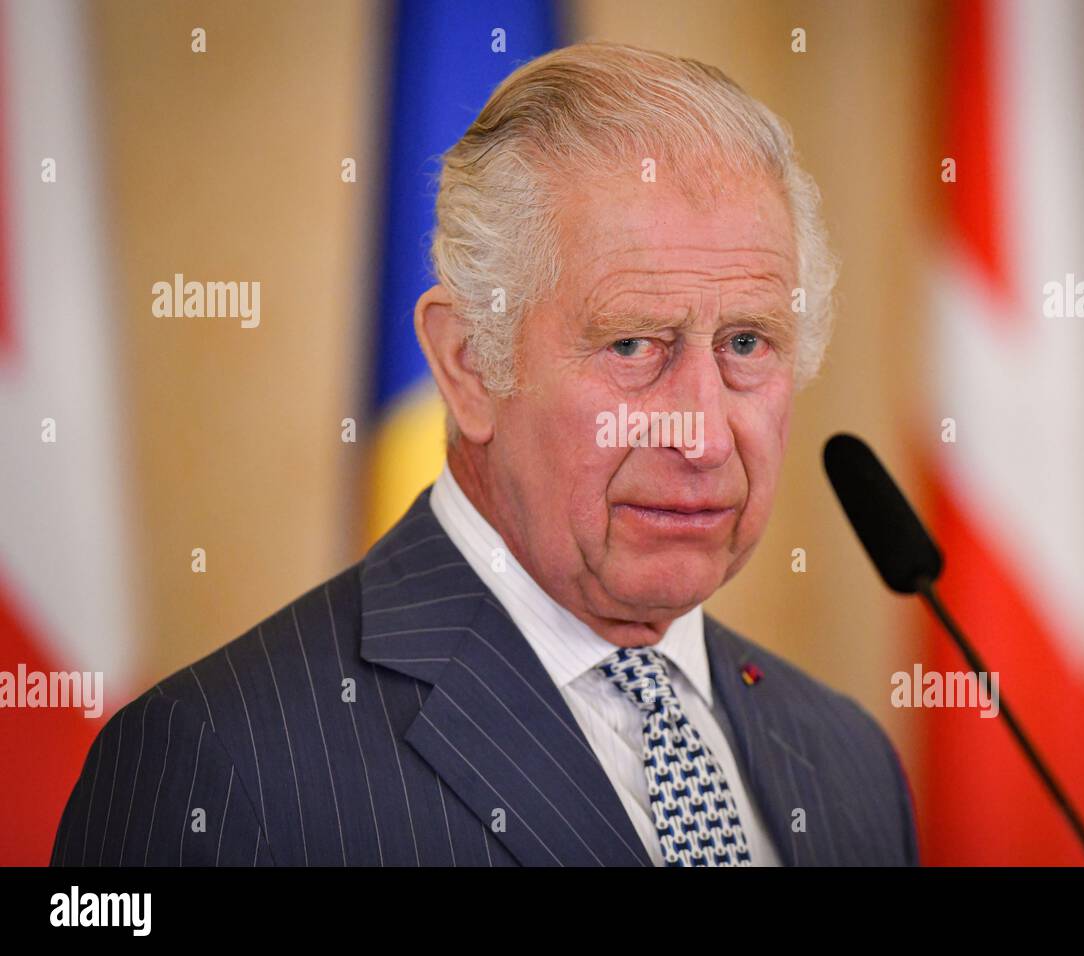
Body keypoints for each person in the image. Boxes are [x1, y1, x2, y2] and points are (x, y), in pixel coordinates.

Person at [51, 41, 916, 867]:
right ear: (468, 364)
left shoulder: (847, 760)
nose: (701, 432)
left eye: (748, 343)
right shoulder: (221, 767)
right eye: (632, 346)